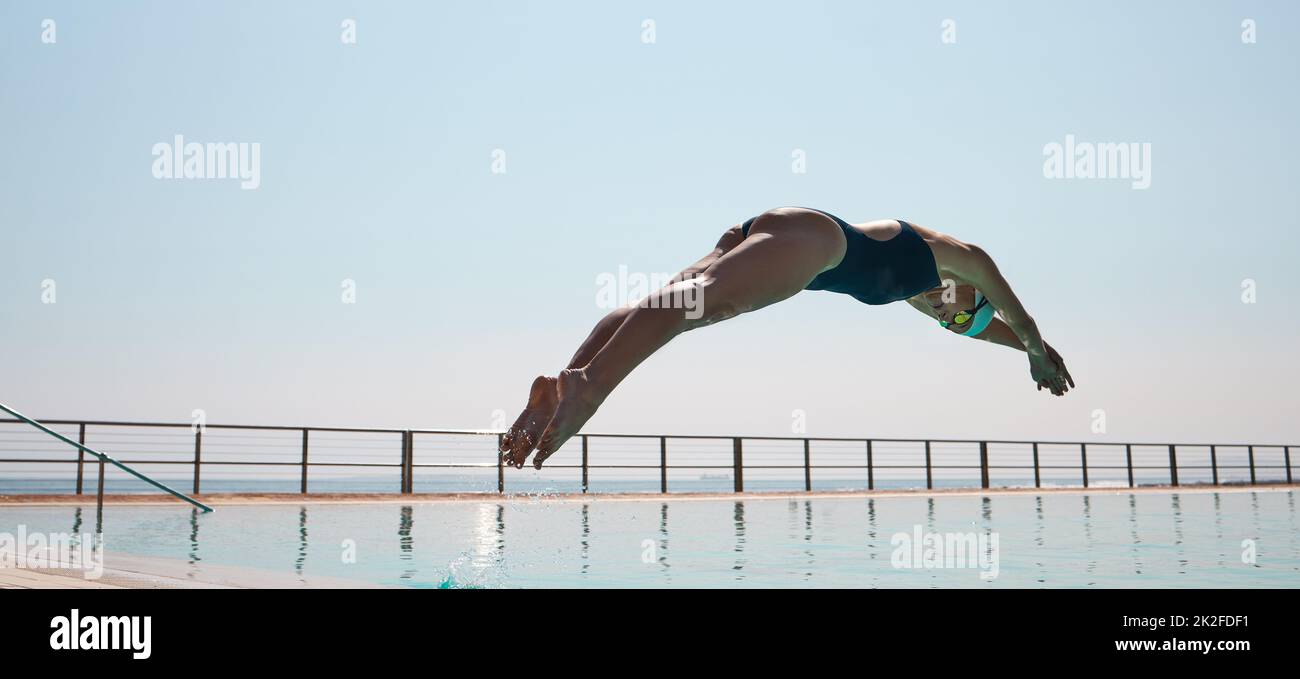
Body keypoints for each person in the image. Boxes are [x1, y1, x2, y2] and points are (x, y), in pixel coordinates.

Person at [501, 207, 1074, 470]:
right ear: (972, 289)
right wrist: (1036, 352)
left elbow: (982, 329)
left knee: (669, 301)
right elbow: (1017, 318)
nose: (948, 314)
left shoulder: (923, 294)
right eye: (959, 309)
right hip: (816, 241)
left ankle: (560, 387)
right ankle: (588, 389)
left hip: (773, 232)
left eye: (952, 321)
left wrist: (1015, 348)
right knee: (690, 307)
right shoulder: (961, 257)